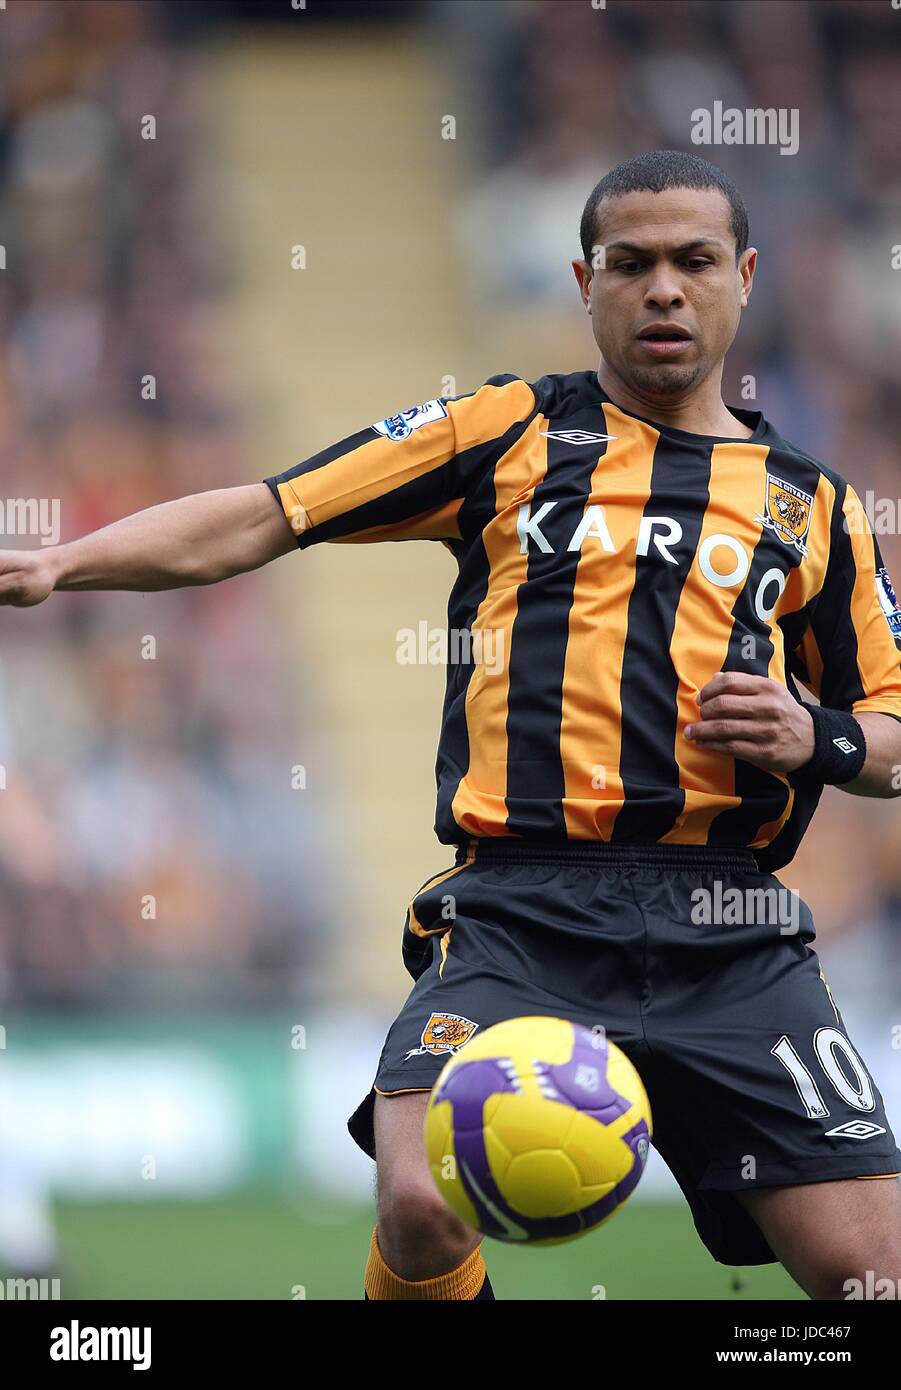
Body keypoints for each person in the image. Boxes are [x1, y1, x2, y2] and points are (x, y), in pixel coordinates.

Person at [2, 150, 900, 1302]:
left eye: (693, 261)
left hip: (727, 924)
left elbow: (888, 734)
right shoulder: (503, 429)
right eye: (630, 264)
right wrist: (65, 562)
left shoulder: (812, 501)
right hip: (520, 906)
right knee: (422, 1202)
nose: (663, 289)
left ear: (745, 276)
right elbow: (272, 514)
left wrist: (811, 733)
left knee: (869, 1273)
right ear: (584, 282)